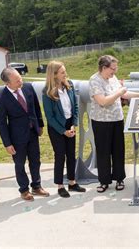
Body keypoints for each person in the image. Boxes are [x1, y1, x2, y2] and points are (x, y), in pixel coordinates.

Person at [89, 55, 139, 193]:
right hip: (101, 122)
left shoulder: (113, 78)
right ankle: (104, 181)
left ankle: (119, 178)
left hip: (117, 120)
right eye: (113, 69)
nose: (114, 72)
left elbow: (124, 94)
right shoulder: (94, 81)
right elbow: (103, 101)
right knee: (103, 152)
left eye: (116, 69)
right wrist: (120, 92)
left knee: (118, 150)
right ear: (104, 68)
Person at [0, 68, 50, 201]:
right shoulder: (2, 98)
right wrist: (7, 143)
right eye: (17, 80)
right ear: (7, 83)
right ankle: (24, 190)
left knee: (35, 161)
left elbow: (36, 108)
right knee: (20, 164)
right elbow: (1, 123)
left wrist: (41, 125)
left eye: (20, 78)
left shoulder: (28, 88)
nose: (21, 81)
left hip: (32, 132)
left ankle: (36, 186)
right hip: (16, 137)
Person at [43, 61, 86, 198]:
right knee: (60, 155)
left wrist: (73, 124)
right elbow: (50, 117)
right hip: (56, 127)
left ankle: (72, 183)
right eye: (62, 72)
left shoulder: (70, 85)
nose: (65, 74)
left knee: (71, 154)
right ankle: (60, 185)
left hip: (69, 124)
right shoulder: (47, 92)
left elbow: (76, 107)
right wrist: (63, 131)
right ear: (54, 75)